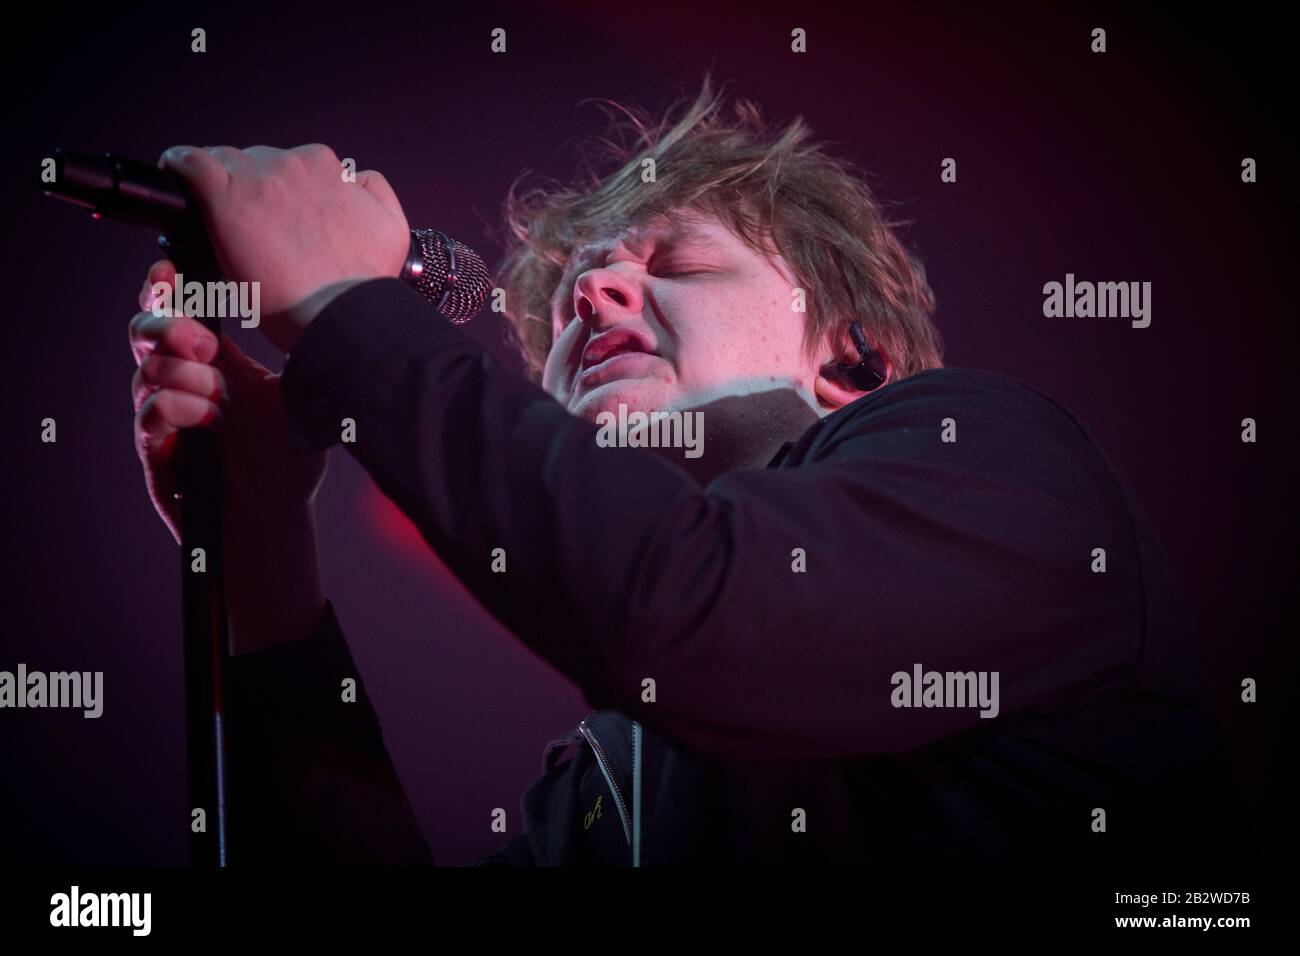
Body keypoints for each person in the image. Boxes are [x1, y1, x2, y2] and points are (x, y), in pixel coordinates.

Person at [125, 78, 1235, 865]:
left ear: (856, 355)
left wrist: (344, 310)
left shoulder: (993, 457)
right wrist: (268, 559)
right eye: (568, 306)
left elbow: (689, 604)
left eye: (681, 262)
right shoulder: (611, 786)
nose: (595, 297)